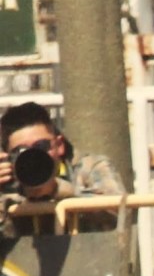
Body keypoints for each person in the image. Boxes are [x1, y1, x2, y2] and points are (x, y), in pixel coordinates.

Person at [0, 100, 122, 236]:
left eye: (41, 146)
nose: (34, 156)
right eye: (21, 151)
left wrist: (57, 190)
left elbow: (120, 213)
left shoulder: (89, 168)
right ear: (7, 156)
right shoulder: (7, 186)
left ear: (59, 145)